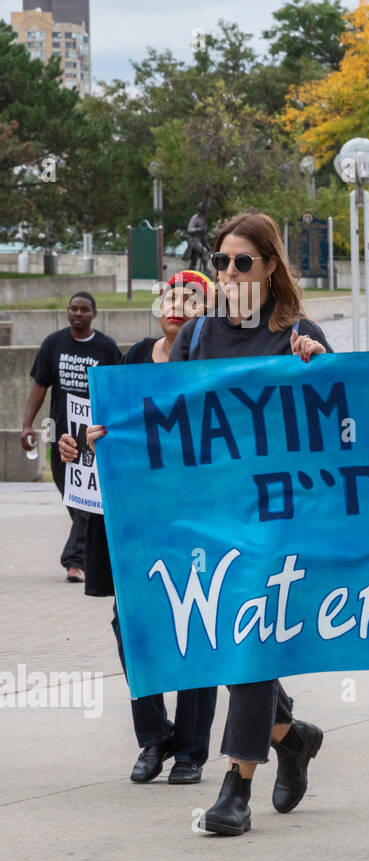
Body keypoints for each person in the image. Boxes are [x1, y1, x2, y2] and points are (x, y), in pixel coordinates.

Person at [169, 211, 332, 836]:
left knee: (250, 642)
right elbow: (164, 414)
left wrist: (320, 368)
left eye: (243, 261)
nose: (229, 272)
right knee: (217, 645)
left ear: (269, 266)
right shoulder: (200, 336)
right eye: (221, 261)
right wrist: (100, 439)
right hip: (210, 520)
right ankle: (292, 737)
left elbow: (342, 425)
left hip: (277, 522)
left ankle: (236, 785)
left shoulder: (298, 335)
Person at [58, 271, 219, 785]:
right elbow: (104, 427)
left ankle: (192, 751)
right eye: (171, 293)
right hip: (136, 520)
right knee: (130, 625)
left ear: (206, 312)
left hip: (198, 516)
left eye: (192, 297)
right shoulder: (130, 359)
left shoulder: (213, 363)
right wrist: (81, 440)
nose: (177, 303)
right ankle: (154, 737)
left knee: (199, 625)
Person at [20, 292, 121, 581]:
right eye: (74, 308)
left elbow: (115, 391)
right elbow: (40, 386)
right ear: (67, 312)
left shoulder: (106, 348)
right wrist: (27, 424)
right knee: (72, 498)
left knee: (85, 499)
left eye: (84, 309)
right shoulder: (54, 343)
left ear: (94, 314)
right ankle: (91, 554)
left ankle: (75, 560)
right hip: (59, 434)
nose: (78, 313)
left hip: (91, 437)